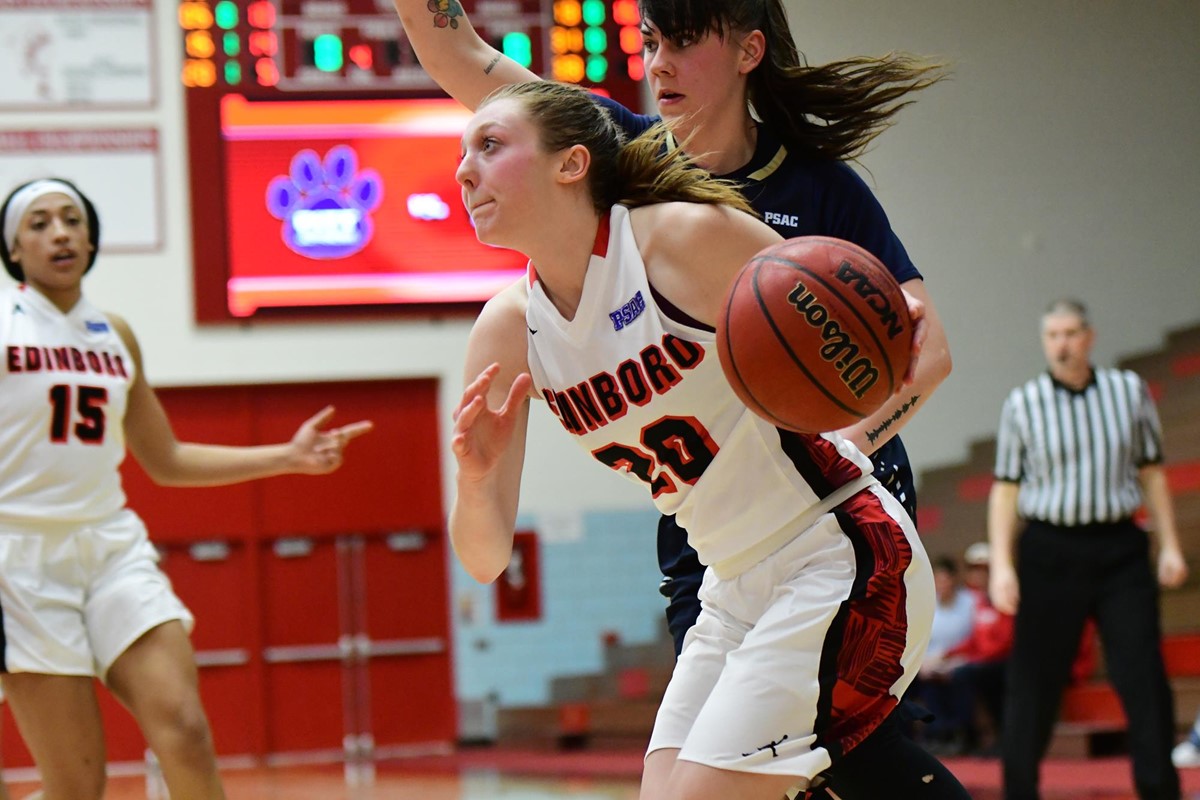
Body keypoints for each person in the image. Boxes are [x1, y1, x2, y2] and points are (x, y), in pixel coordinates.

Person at [389, 1, 955, 795]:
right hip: (728, 574)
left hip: (830, 548)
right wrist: (478, 480)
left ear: (572, 162)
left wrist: (878, 341)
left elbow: (898, 345)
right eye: (649, 41)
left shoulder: (684, 236)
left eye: (489, 144)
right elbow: (483, 562)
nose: (463, 170)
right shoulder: (507, 330)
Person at [0, 177, 373, 799]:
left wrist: (286, 456)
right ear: (13, 251)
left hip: (110, 548)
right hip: (22, 560)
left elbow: (165, 458)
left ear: (91, 237)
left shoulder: (114, 335)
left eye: (70, 219)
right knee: (75, 788)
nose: (59, 232)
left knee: (185, 727)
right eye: (38, 224)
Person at [988, 298, 1188, 800]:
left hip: (1119, 546)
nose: (1063, 344)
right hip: (1049, 549)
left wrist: (1170, 546)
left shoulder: (1128, 391)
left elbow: (1152, 471)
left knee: (1143, 675)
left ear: (1090, 337)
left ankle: (1159, 789)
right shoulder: (1023, 402)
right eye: (1053, 334)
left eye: (1072, 333)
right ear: (1044, 341)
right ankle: (1020, 792)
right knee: (1034, 682)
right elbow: (1006, 488)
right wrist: (1001, 565)